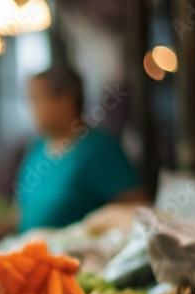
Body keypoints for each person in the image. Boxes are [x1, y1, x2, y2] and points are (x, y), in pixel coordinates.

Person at [14, 66, 144, 232]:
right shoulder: (37, 148)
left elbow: (135, 204)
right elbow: (22, 213)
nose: (31, 108)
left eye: (37, 99)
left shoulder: (98, 148)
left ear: (66, 101)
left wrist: (86, 230)